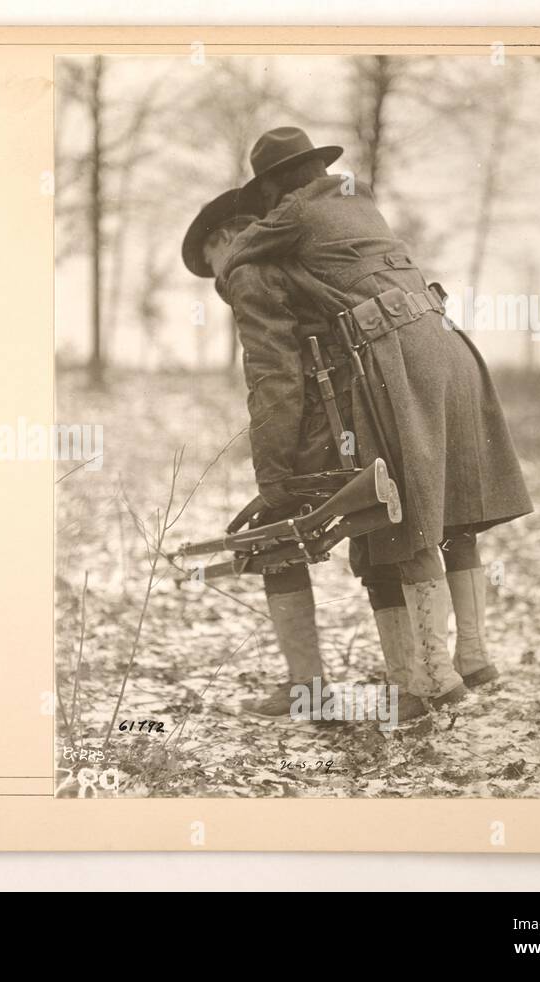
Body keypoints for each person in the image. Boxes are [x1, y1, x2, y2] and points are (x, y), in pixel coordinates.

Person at [217, 126, 533, 717]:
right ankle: (468, 658)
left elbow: (273, 377)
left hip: (396, 355)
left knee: (398, 519)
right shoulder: (355, 199)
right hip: (449, 347)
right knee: (449, 511)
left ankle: (427, 681)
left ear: (275, 189)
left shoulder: (289, 220)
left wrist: (274, 474)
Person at [183, 186, 413, 719]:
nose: (218, 276)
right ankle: (413, 683)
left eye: (212, 261)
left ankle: (306, 689)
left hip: (322, 424)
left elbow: (275, 379)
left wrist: (273, 473)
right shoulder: (308, 255)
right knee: (382, 537)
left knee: (272, 538)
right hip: (376, 409)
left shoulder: (250, 272)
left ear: (226, 238)